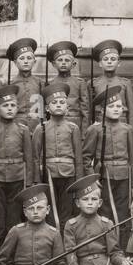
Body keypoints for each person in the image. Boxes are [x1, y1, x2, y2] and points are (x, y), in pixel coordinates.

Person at [83, 84, 133, 242]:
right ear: (102, 110)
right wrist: (92, 179)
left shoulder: (127, 129)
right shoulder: (95, 130)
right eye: (111, 106)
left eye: (119, 106)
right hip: (103, 177)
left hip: (124, 176)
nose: (116, 109)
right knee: (104, 212)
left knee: (123, 213)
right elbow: (86, 157)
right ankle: (106, 245)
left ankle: (123, 247)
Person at [31, 82, 83, 226]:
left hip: (69, 174)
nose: (59, 105)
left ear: (67, 106)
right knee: (49, 211)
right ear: (47, 108)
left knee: (66, 210)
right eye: (54, 103)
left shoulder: (73, 128)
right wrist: (36, 180)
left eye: (62, 102)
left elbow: (78, 157)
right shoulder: (41, 128)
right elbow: (35, 157)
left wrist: (79, 180)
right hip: (48, 174)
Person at [0, 84, 34, 243]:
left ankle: (13, 251)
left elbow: (29, 157)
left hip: (17, 177)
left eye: (13, 105)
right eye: (5, 105)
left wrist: (28, 182)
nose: (9, 109)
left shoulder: (23, 130)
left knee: (14, 218)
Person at [91, 37, 133, 126]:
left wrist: (132, 131)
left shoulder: (125, 83)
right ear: (100, 63)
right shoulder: (93, 83)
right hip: (100, 123)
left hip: (122, 124)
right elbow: (89, 110)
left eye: (113, 59)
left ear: (119, 63)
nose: (109, 62)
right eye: (106, 59)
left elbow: (132, 111)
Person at [47, 41, 89, 133]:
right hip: (55, 126)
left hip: (76, 125)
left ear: (73, 64)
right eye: (60, 60)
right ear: (54, 64)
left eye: (67, 60)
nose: (63, 63)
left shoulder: (79, 83)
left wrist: (84, 133)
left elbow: (85, 110)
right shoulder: (50, 84)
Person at [7, 37, 45, 125]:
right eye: (22, 58)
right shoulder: (10, 83)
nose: (26, 61)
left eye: (29, 58)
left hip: (36, 124)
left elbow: (44, 107)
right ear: (15, 62)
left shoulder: (40, 83)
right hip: (17, 124)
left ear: (34, 61)